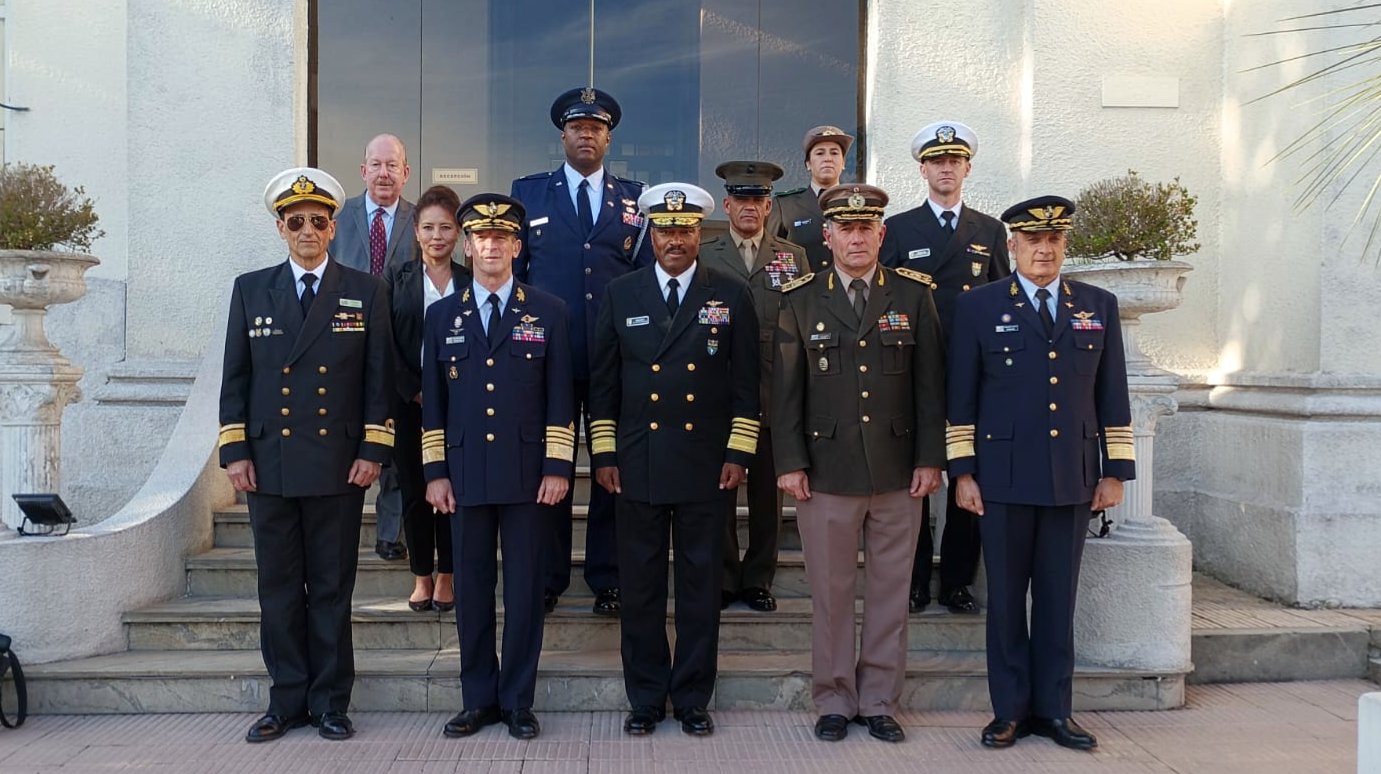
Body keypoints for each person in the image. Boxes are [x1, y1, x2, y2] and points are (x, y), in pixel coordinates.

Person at [946, 195, 1134, 751]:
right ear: (1013, 246)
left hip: (1072, 477)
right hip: (1001, 480)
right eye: (1033, 240)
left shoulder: (1098, 305)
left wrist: (1115, 471)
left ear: (1064, 244)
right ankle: (1009, 711)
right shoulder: (978, 306)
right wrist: (963, 472)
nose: (1044, 250)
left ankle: (1055, 711)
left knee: (1057, 600)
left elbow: (1112, 393)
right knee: (1005, 601)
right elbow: (961, 397)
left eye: (1054, 240)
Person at [218, 167, 394, 743]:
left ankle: (330, 703)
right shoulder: (251, 289)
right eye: (296, 222)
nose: (307, 231)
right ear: (280, 229)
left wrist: (373, 449)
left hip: (337, 465)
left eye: (318, 221)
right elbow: (235, 379)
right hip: (269, 465)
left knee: (331, 590)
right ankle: (286, 700)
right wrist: (235, 451)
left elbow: (379, 380)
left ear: (333, 227)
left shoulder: (366, 290)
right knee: (278, 589)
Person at [772, 184, 946, 744]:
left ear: (881, 234)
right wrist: (790, 462)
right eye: (845, 229)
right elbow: (785, 392)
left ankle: (879, 701)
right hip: (826, 471)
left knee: (892, 594)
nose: (855, 238)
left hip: (898, 471)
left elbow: (930, 387)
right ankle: (833, 697)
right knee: (831, 594)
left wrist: (930, 458)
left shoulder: (914, 295)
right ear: (827, 236)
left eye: (865, 228)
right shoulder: (800, 299)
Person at [589, 183, 760, 737]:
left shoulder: (730, 293)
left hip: (705, 465)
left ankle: (691, 697)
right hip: (636, 463)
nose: (675, 239)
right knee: (639, 587)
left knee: (699, 587)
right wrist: (604, 452)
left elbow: (747, 385)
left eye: (685, 229)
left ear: (700, 233)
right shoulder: (622, 293)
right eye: (665, 229)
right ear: (651, 235)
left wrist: (738, 452)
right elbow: (603, 385)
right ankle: (644, 697)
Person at [422, 193, 575, 741]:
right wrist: (434, 472)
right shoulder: (441, 316)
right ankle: (478, 700)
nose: (491, 245)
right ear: (467, 246)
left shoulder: (549, 311)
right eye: (481, 237)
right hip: (465, 475)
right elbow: (434, 402)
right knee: (471, 592)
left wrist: (558, 466)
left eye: (501, 237)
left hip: (529, 476)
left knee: (526, 592)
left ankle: (517, 701)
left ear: (516, 245)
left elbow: (562, 397)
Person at [511, 87, 653, 617]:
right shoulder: (530, 195)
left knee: (611, 467)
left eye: (596, 128)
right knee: (550, 465)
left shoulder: (635, 201)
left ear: (608, 138)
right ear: (563, 136)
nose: (586, 135)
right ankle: (548, 576)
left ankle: (608, 577)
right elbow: (516, 280)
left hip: (613, 361)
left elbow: (643, 281)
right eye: (577, 128)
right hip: (549, 360)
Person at [879, 120, 1011, 616]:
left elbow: (1002, 300)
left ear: (968, 169)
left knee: (967, 475)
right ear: (923, 170)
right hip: (913, 369)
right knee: (913, 479)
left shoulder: (989, 230)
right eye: (937, 162)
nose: (946, 169)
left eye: (955, 161)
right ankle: (914, 581)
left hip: (971, 373)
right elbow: (885, 296)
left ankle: (957, 581)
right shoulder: (899, 228)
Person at [697, 160, 806, 613]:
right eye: (741, 200)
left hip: (773, 389)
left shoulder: (793, 257)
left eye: (758, 200)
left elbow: (801, 325)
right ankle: (724, 577)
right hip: (719, 388)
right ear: (727, 205)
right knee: (720, 488)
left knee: (767, 493)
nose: (749, 207)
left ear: (768, 207)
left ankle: (759, 577)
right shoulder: (706, 253)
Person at [329, 133, 417, 562]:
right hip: (345, 347)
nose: (384, 173)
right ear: (363, 171)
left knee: (394, 445)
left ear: (406, 172)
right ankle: (336, 528)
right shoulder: (335, 218)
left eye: (392, 165)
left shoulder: (420, 221)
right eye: (376, 165)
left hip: (399, 350)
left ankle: (389, 534)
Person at [384, 185, 472, 613]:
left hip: (461, 404)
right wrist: (414, 390)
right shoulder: (395, 279)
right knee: (415, 491)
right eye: (428, 228)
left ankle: (448, 575)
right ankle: (421, 574)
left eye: (446, 228)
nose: (437, 236)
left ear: (458, 234)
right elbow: (385, 343)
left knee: (453, 489)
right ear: (416, 232)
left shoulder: (470, 281)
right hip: (410, 403)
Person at [765, 125, 853, 272]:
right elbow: (770, 256)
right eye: (820, 153)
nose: (828, 159)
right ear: (808, 164)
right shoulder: (784, 206)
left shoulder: (856, 204)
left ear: (843, 163)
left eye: (834, 153)